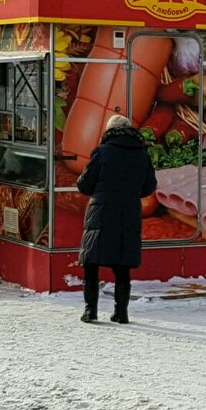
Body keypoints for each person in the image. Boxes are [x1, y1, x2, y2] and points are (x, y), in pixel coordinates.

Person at [77, 114, 157, 324]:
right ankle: (121, 312)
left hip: (101, 211)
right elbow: (149, 187)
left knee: (91, 261)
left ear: (109, 130)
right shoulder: (142, 155)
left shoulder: (102, 152)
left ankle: (90, 310)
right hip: (128, 211)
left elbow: (84, 184)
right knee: (122, 264)